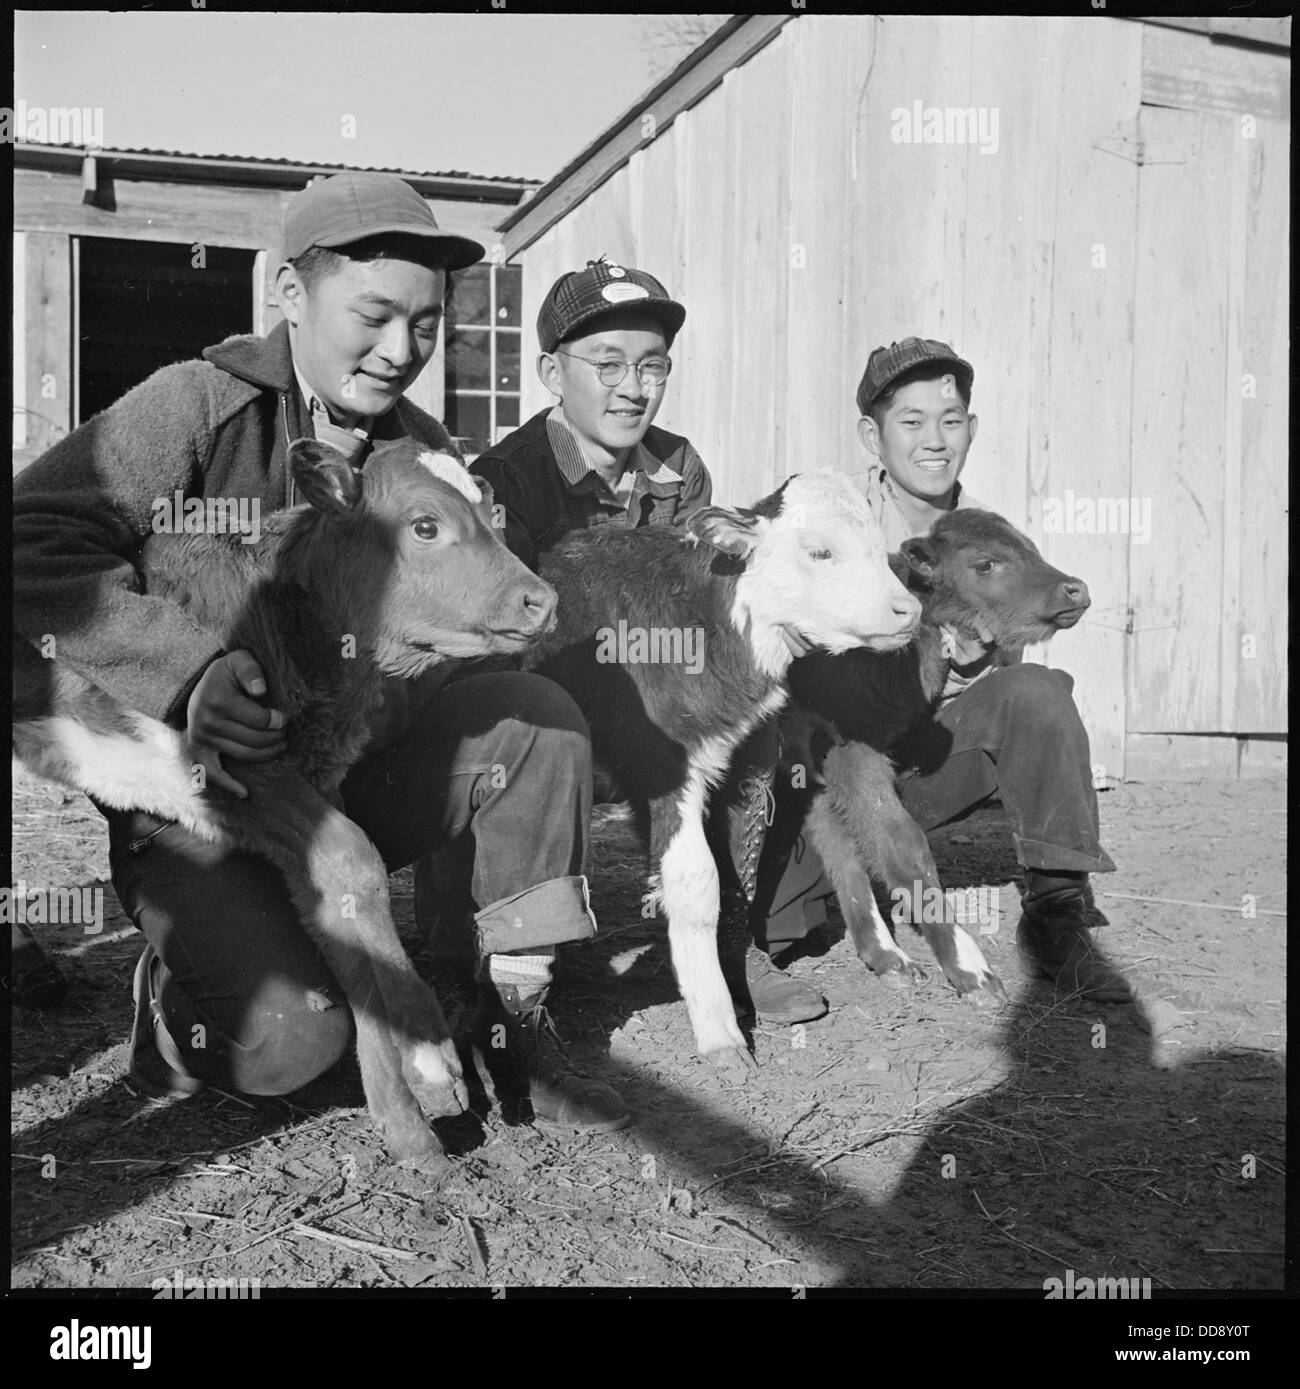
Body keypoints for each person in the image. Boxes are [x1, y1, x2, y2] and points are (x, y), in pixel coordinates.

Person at [12, 171, 631, 1135]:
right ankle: (176, 1018)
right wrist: (189, 672)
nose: (399, 351)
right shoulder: (197, 407)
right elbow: (31, 538)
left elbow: (445, 607)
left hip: (341, 772)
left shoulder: (421, 447)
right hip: (194, 802)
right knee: (294, 1043)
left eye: (426, 325)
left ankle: (505, 1008)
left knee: (537, 720)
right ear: (292, 297)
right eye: (374, 314)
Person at [466, 257, 827, 1025]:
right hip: (554, 696)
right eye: (607, 364)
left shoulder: (678, 467)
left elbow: (703, 608)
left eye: (653, 366)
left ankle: (720, 942)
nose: (633, 387)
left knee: (758, 730)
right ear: (550, 372)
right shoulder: (504, 479)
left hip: (662, 688)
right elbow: (505, 636)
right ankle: (502, 950)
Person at [755, 337, 1133, 1003]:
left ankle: (1057, 917)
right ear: (873, 436)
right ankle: (834, 889)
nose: (935, 440)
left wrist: (973, 659)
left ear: (972, 428)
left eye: (951, 420)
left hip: (920, 761)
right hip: (816, 770)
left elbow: (1005, 674)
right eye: (912, 421)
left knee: (1039, 693)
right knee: (782, 915)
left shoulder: (987, 534)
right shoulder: (829, 524)